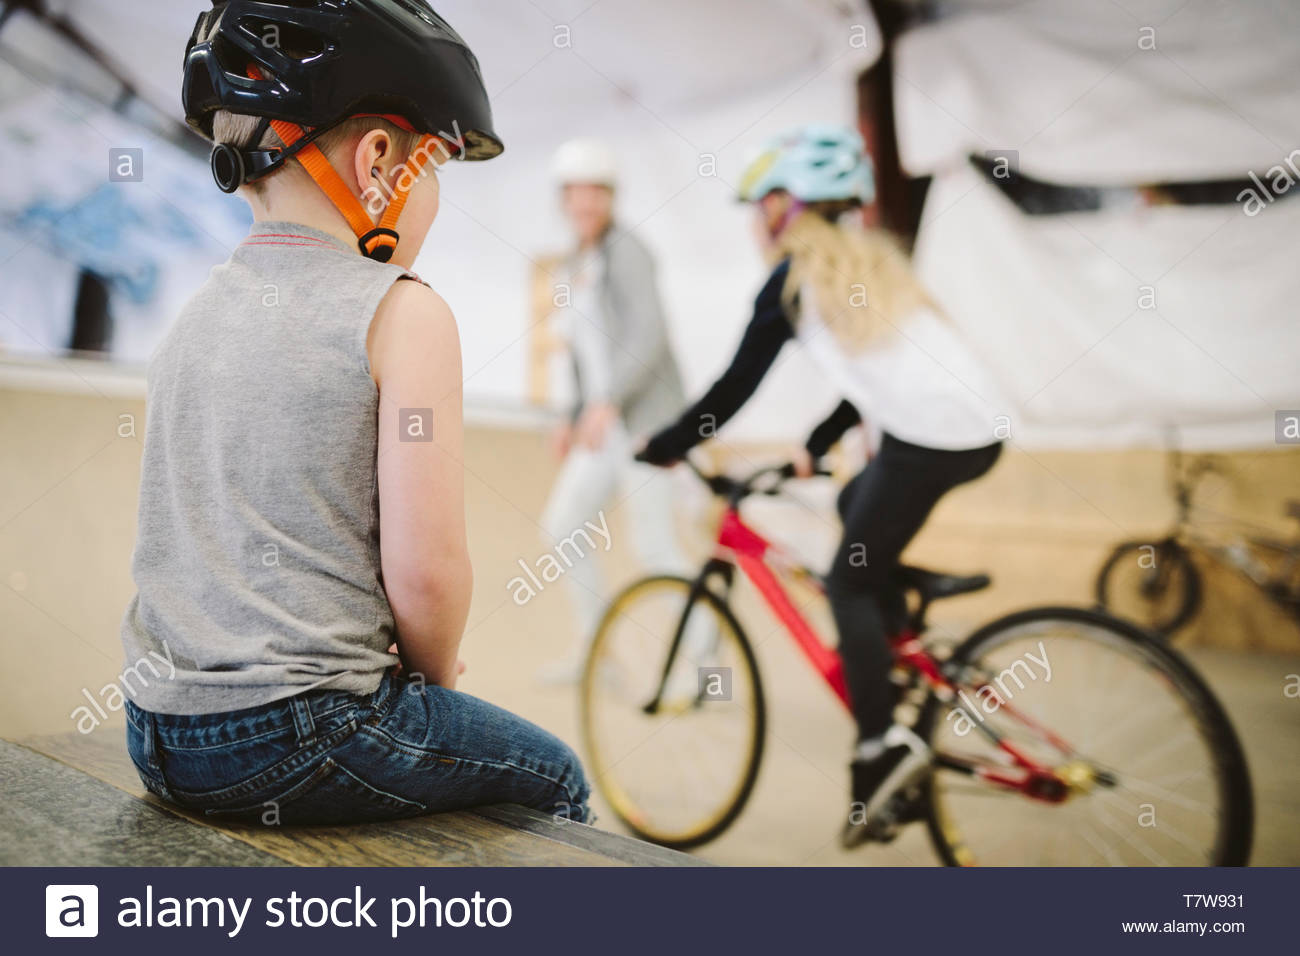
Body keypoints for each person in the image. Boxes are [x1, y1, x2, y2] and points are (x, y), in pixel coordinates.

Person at [118, 0, 589, 826]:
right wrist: (435, 683)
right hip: (306, 730)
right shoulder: (404, 314)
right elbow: (427, 574)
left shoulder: (193, 317)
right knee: (554, 775)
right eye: (434, 166)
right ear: (379, 161)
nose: (435, 196)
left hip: (156, 730)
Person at [637, 125, 1004, 847]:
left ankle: (880, 750)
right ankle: (902, 624)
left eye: (760, 203)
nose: (754, 222)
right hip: (973, 429)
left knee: (847, 582)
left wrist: (666, 443)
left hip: (930, 436)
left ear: (786, 206)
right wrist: (821, 439)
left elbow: (732, 388)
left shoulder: (793, 281)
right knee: (850, 502)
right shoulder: (873, 263)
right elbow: (883, 369)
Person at [536, 137, 690, 682]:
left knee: (654, 544)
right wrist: (570, 412)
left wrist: (607, 402)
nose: (586, 203)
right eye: (576, 193)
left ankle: (704, 662)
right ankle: (596, 653)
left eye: (596, 192)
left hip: (645, 423)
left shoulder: (629, 251)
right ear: (564, 199)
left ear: (609, 196)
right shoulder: (575, 261)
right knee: (563, 527)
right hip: (603, 422)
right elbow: (579, 346)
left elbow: (648, 336)